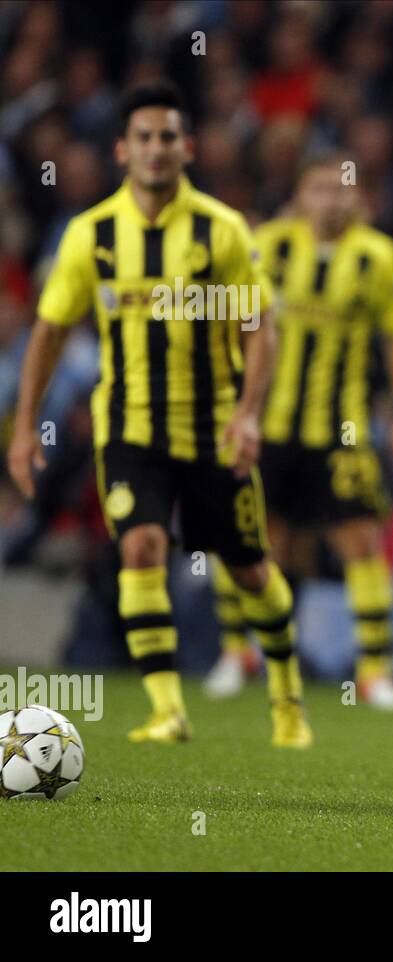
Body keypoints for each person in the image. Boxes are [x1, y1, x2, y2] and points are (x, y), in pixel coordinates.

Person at [6, 81, 310, 747]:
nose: (154, 148)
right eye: (142, 136)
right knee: (140, 548)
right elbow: (49, 331)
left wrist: (251, 413)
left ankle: (287, 695)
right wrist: (25, 424)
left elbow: (261, 327)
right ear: (121, 149)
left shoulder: (221, 230)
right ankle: (168, 709)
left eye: (167, 136)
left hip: (212, 428)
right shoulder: (92, 236)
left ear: (188, 147)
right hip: (129, 428)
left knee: (250, 569)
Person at [204, 153, 393, 711]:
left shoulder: (378, 257)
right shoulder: (265, 245)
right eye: (320, 187)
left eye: (342, 188)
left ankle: (375, 670)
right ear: (299, 196)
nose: (332, 198)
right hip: (265, 422)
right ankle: (236, 653)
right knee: (254, 540)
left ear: (358, 197)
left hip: (340, 428)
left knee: (361, 539)